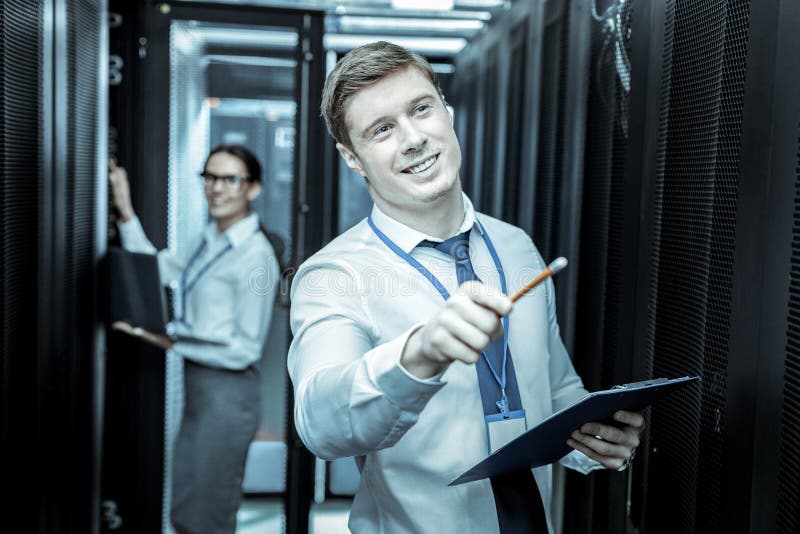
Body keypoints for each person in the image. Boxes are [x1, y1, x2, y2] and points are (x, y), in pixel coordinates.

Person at [288, 41, 644, 533]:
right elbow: (320, 424)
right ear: (352, 158)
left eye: (420, 109)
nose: (413, 139)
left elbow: (554, 390)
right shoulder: (334, 275)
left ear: (446, 111)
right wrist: (419, 355)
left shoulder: (516, 246)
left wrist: (593, 441)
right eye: (382, 130)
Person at [108, 145, 280, 534]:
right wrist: (125, 208)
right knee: (187, 508)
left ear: (252, 189)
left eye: (230, 180)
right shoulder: (209, 239)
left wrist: (167, 340)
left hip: (229, 395)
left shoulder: (256, 256)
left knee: (209, 513)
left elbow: (245, 348)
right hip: (201, 391)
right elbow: (158, 271)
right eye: (210, 177)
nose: (216, 189)